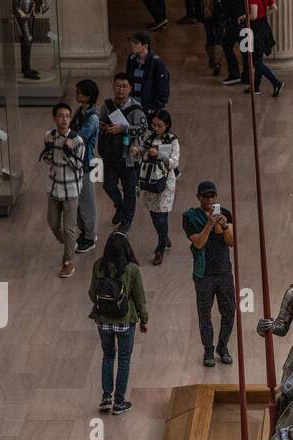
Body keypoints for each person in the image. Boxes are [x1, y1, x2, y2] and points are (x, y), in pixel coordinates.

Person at [88, 232, 148, 415]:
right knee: (124, 359)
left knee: (107, 356)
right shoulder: (131, 269)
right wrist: (143, 319)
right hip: (124, 320)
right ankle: (119, 402)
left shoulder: (99, 266)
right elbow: (139, 297)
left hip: (103, 320)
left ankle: (106, 396)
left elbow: (91, 294)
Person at [182, 180, 236, 367]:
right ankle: (208, 350)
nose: (209, 199)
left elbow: (231, 242)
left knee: (229, 312)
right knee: (204, 314)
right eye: (205, 196)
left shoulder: (226, 213)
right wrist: (209, 224)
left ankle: (223, 346)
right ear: (198, 198)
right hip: (203, 273)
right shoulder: (190, 217)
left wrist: (221, 224)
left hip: (224, 271)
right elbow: (198, 242)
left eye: (212, 196)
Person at [98, 73, 148, 233]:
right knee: (108, 185)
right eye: (118, 86)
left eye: (124, 86)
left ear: (130, 88)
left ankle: (126, 221)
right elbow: (101, 122)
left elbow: (143, 129)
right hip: (110, 154)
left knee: (129, 190)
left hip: (129, 157)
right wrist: (104, 127)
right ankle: (119, 206)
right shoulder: (107, 105)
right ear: (113, 86)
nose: (120, 89)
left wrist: (123, 128)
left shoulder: (136, 108)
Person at [41, 101, 86, 279]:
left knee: (69, 228)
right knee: (52, 222)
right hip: (53, 187)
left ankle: (68, 262)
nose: (65, 119)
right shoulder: (49, 135)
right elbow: (47, 160)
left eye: (67, 116)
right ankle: (70, 243)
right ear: (54, 118)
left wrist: (68, 152)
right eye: (61, 116)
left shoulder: (77, 141)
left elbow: (79, 166)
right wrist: (49, 147)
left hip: (71, 190)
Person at [139, 110, 180, 266]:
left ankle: (160, 248)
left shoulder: (172, 140)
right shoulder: (149, 136)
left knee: (161, 215)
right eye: (154, 124)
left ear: (167, 125)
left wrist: (159, 155)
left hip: (165, 181)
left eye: (160, 125)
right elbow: (142, 151)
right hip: (150, 179)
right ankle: (164, 236)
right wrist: (139, 152)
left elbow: (174, 162)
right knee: (153, 212)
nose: (156, 128)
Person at [72, 80, 101, 254]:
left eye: (80, 93)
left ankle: (90, 236)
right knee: (79, 202)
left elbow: (81, 137)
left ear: (88, 96)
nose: (77, 95)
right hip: (78, 164)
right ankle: (85, 232)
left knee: (87, 203)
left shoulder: (93, 117)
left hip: (87, 165)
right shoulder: (80, 112)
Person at [242, 1, 285, 96]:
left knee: (258, 63)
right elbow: (274, 8)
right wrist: (263, 14)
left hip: (256, 31)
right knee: (259, 60)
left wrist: (243, 17)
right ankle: (255, 87)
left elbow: (253, 16)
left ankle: (277, 83)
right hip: (263, 27)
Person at [126, 31, 171, 115]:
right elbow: (128, 79)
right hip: (133, 105)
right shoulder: (131, 59)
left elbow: (163, 88)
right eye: (132, 42)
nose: (132, 45)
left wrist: (155, 107)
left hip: (149, 108)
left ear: (145, 45)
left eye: (136, 43)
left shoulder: (156, 63)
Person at [219, 0, 245, 85]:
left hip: (236, 21)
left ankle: (234, 74)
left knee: (227, 44)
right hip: (241, 20)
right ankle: (246, 75)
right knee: (244, 49)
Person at [199, 0, 223, 76]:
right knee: (218, 37)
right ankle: (217, 62)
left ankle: (212, 59)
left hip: (207, 11)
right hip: (219, 12)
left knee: (209, 36)